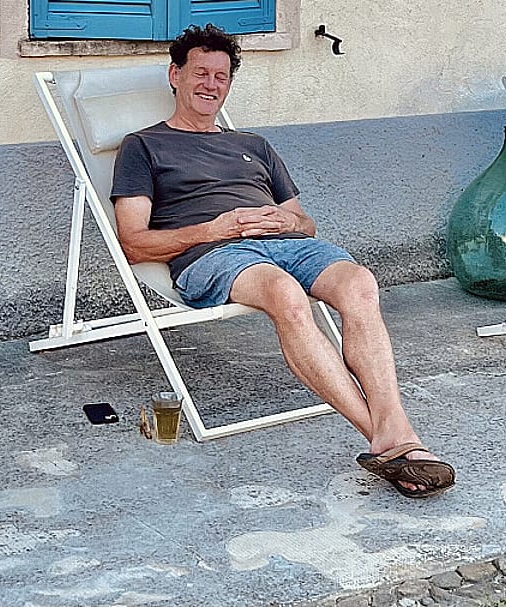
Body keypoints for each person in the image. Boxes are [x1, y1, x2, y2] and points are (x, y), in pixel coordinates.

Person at [110, 24, 455, 499]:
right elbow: (134, 243)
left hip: (283, 244)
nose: (211, 84)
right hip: (214, 252)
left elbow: (304, 222)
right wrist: (219, 228)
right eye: (200, 73)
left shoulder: (252, 145)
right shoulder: (143, 146)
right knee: (285, 294)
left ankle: (393, 434)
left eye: (222, 76)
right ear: (175, 75)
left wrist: (283, 222)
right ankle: (394, 440)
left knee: (360, 282)